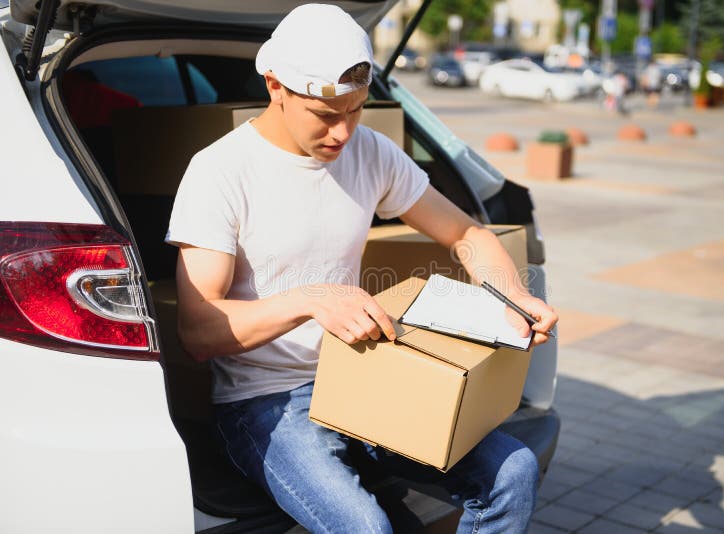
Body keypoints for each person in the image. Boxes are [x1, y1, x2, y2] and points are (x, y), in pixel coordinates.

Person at [166, 4, 558, 533]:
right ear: (275, 85)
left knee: (513, 471)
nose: (343, 133)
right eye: (326, 116)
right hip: (262, 402)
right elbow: (198, 331)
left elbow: (468, 234)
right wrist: (311, 299)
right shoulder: (219, 172)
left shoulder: (371, 151)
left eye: (354, 111)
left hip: (360, 374)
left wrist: (514, 297)